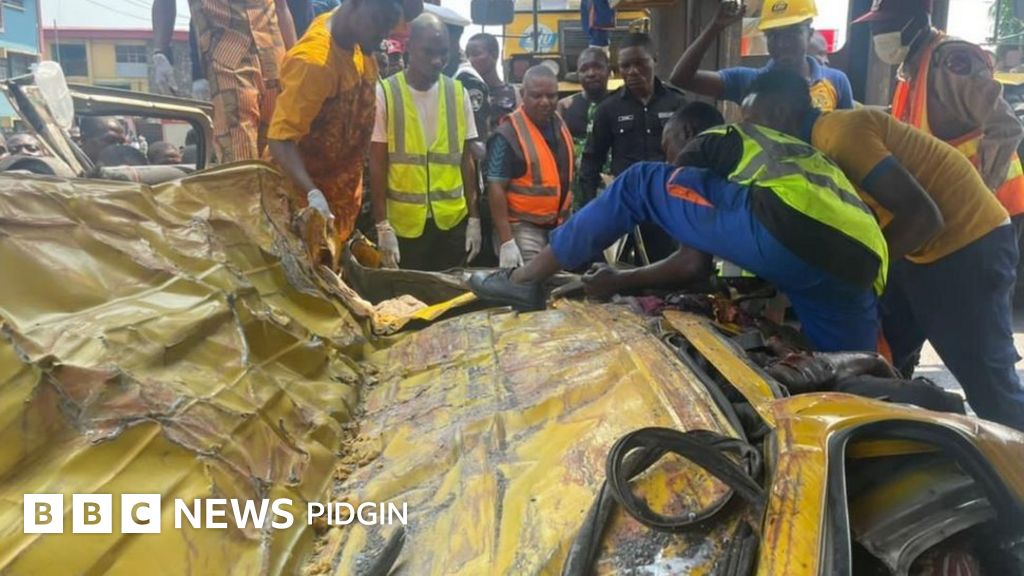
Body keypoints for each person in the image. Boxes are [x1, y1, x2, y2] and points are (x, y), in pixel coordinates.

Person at [470, 103, 889, 353]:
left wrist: (619, 280)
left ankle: (524, 278)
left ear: (686, 134)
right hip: (861, 265)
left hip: (788, 222)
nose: (672, 160)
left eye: (669, 146)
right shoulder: (782, 151)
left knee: (636, 183)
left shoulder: (712, 140)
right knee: (842, 376)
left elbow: (692, 265)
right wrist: (623, 279)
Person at [742, 70, 1024, 431]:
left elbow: (923, 216)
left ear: (779, 113)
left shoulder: (841, 135)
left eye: (753, 123)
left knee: (988, 384)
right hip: (922, 251)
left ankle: (1009, 474)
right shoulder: (814, 148)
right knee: (882, 355)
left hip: (968, 244)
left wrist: (858, 275)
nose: (751, 135)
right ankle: (908, 441)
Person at [854, 0, 1024, 227]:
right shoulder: (914, 64)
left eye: (888, 25)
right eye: (874, 27)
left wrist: (981, 193)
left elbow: (1006, 126)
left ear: (919, 21)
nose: (878, 33)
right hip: (955, 203)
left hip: (994, 206)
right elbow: (908, 117)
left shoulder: (951, 60)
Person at [268, 0, 416, 244]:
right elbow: (280, 139)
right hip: (300, 213)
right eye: (379, 21)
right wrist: (313, 194)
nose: (382, 35)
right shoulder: (314, 63)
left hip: (339, 207)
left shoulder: (357, 40)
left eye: (388, 27)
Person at [369, 13, 482, 271]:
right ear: (409, 48)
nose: (437, 61)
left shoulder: (457, 93)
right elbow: (377, 162)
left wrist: (474, 219)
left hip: (452, 222)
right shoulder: (386, 93)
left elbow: (467, 160)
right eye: (428, 52)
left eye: (444, 53)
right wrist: (382, 225)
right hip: (406, 228)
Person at [580, 32, 687, 262]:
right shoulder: (609, 109)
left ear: (654, 59)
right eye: (625, 66)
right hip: (626, 209)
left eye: (640, 63)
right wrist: (591, 209)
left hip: (668, 206)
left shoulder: (678, 103)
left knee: (668, 272)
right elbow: (591, 161)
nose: (632, 72)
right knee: (623, 273)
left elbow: (690, 156)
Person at [670, 0, 854, 112]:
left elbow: (846, 137)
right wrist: (714, 28)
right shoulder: (750, 81)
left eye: (792, 33)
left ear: (809, 33)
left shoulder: (836, 81)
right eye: (773, 35)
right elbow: (681, 78)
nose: (783, 43)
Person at [486, 65, 574, 268]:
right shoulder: (507, 133)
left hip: (559, 225)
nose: (545, 102)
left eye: (551, 96)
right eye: (537, 96)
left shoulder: (559, 123)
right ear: (523, 95)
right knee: (531, 286)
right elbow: (495, 187)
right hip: (522, 227)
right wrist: (507, 241)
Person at [465, 33, 520, 135]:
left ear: (494, 54)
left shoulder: (515, 94)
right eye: (467, 55)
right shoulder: (465, 93)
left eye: (476, 54)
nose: (470, 60)